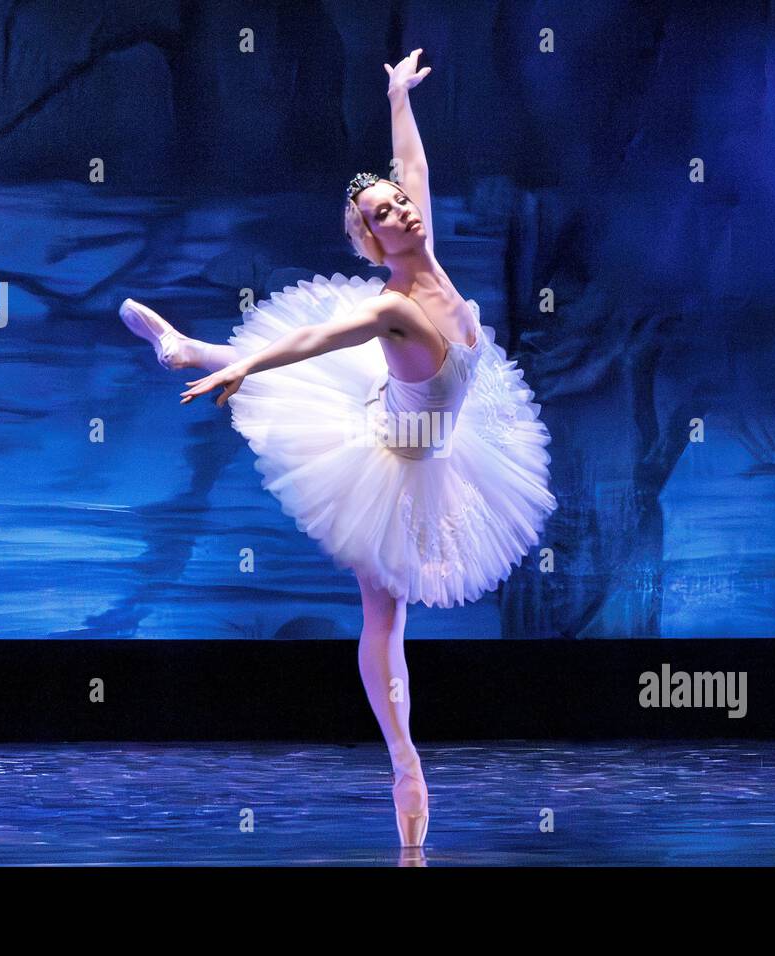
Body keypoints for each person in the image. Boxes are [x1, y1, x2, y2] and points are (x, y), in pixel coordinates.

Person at [118, 49, 556, 850]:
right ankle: (404, 762)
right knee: (382, 613)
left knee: (388, 602)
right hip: (387, 457)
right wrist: (249, 365)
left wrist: (396, 93)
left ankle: (185, 350)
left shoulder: (426, 251)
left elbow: (412, 162)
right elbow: (317, 337)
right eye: (387, 214)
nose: (405, 212)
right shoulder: (392, 306)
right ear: (371, 239)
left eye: (400, 204)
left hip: (439, 439)